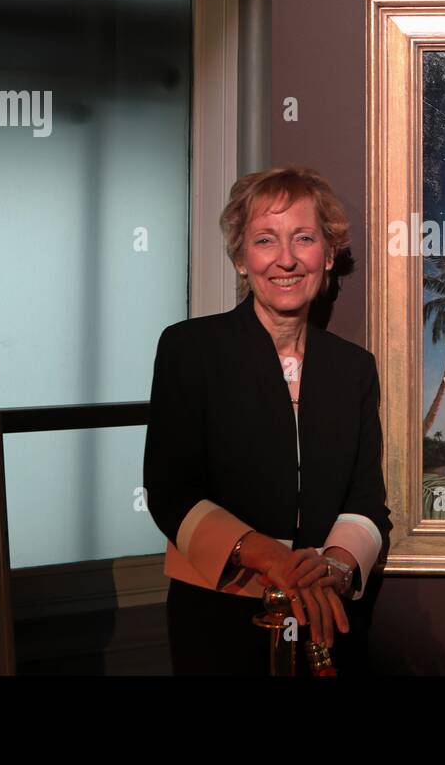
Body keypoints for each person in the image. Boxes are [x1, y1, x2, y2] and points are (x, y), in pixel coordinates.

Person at [143, 166, 391, 674]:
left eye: (304, 238)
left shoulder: (354, 368)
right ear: (241, 257)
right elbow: (170, 492)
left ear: (327, 256)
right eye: (264, 240)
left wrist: (335, 569)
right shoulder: (190, 349)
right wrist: (271, 559)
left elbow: (367, 500)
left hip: (329, 613)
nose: (286, 259)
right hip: (218, 612)